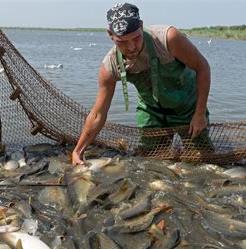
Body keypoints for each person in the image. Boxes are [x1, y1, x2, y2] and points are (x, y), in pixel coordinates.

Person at [72, 2, 213, 165]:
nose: (131, 47)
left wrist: (200, 114)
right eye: (122, 41)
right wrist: (78, 150)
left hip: (188, 107)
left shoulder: (168, 39)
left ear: (141, 26)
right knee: (149, 162)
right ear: (110, 34)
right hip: (151, 111)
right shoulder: (109, 67)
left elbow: (202, 68)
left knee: (201, 161)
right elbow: (97, 114)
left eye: (136, 38)